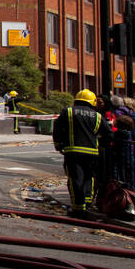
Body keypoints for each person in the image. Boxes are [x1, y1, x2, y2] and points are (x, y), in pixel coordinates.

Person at [52, 89, 108, 218]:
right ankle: (87, 204)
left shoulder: (68, 112)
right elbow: (108, 133)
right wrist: (101, 145)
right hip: (92, 154)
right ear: (92, 102)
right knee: (89, 178)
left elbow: (57, 129)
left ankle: (78, 209)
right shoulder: (97, 116)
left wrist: (59, 145)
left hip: (73, 152)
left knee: (75, 179)